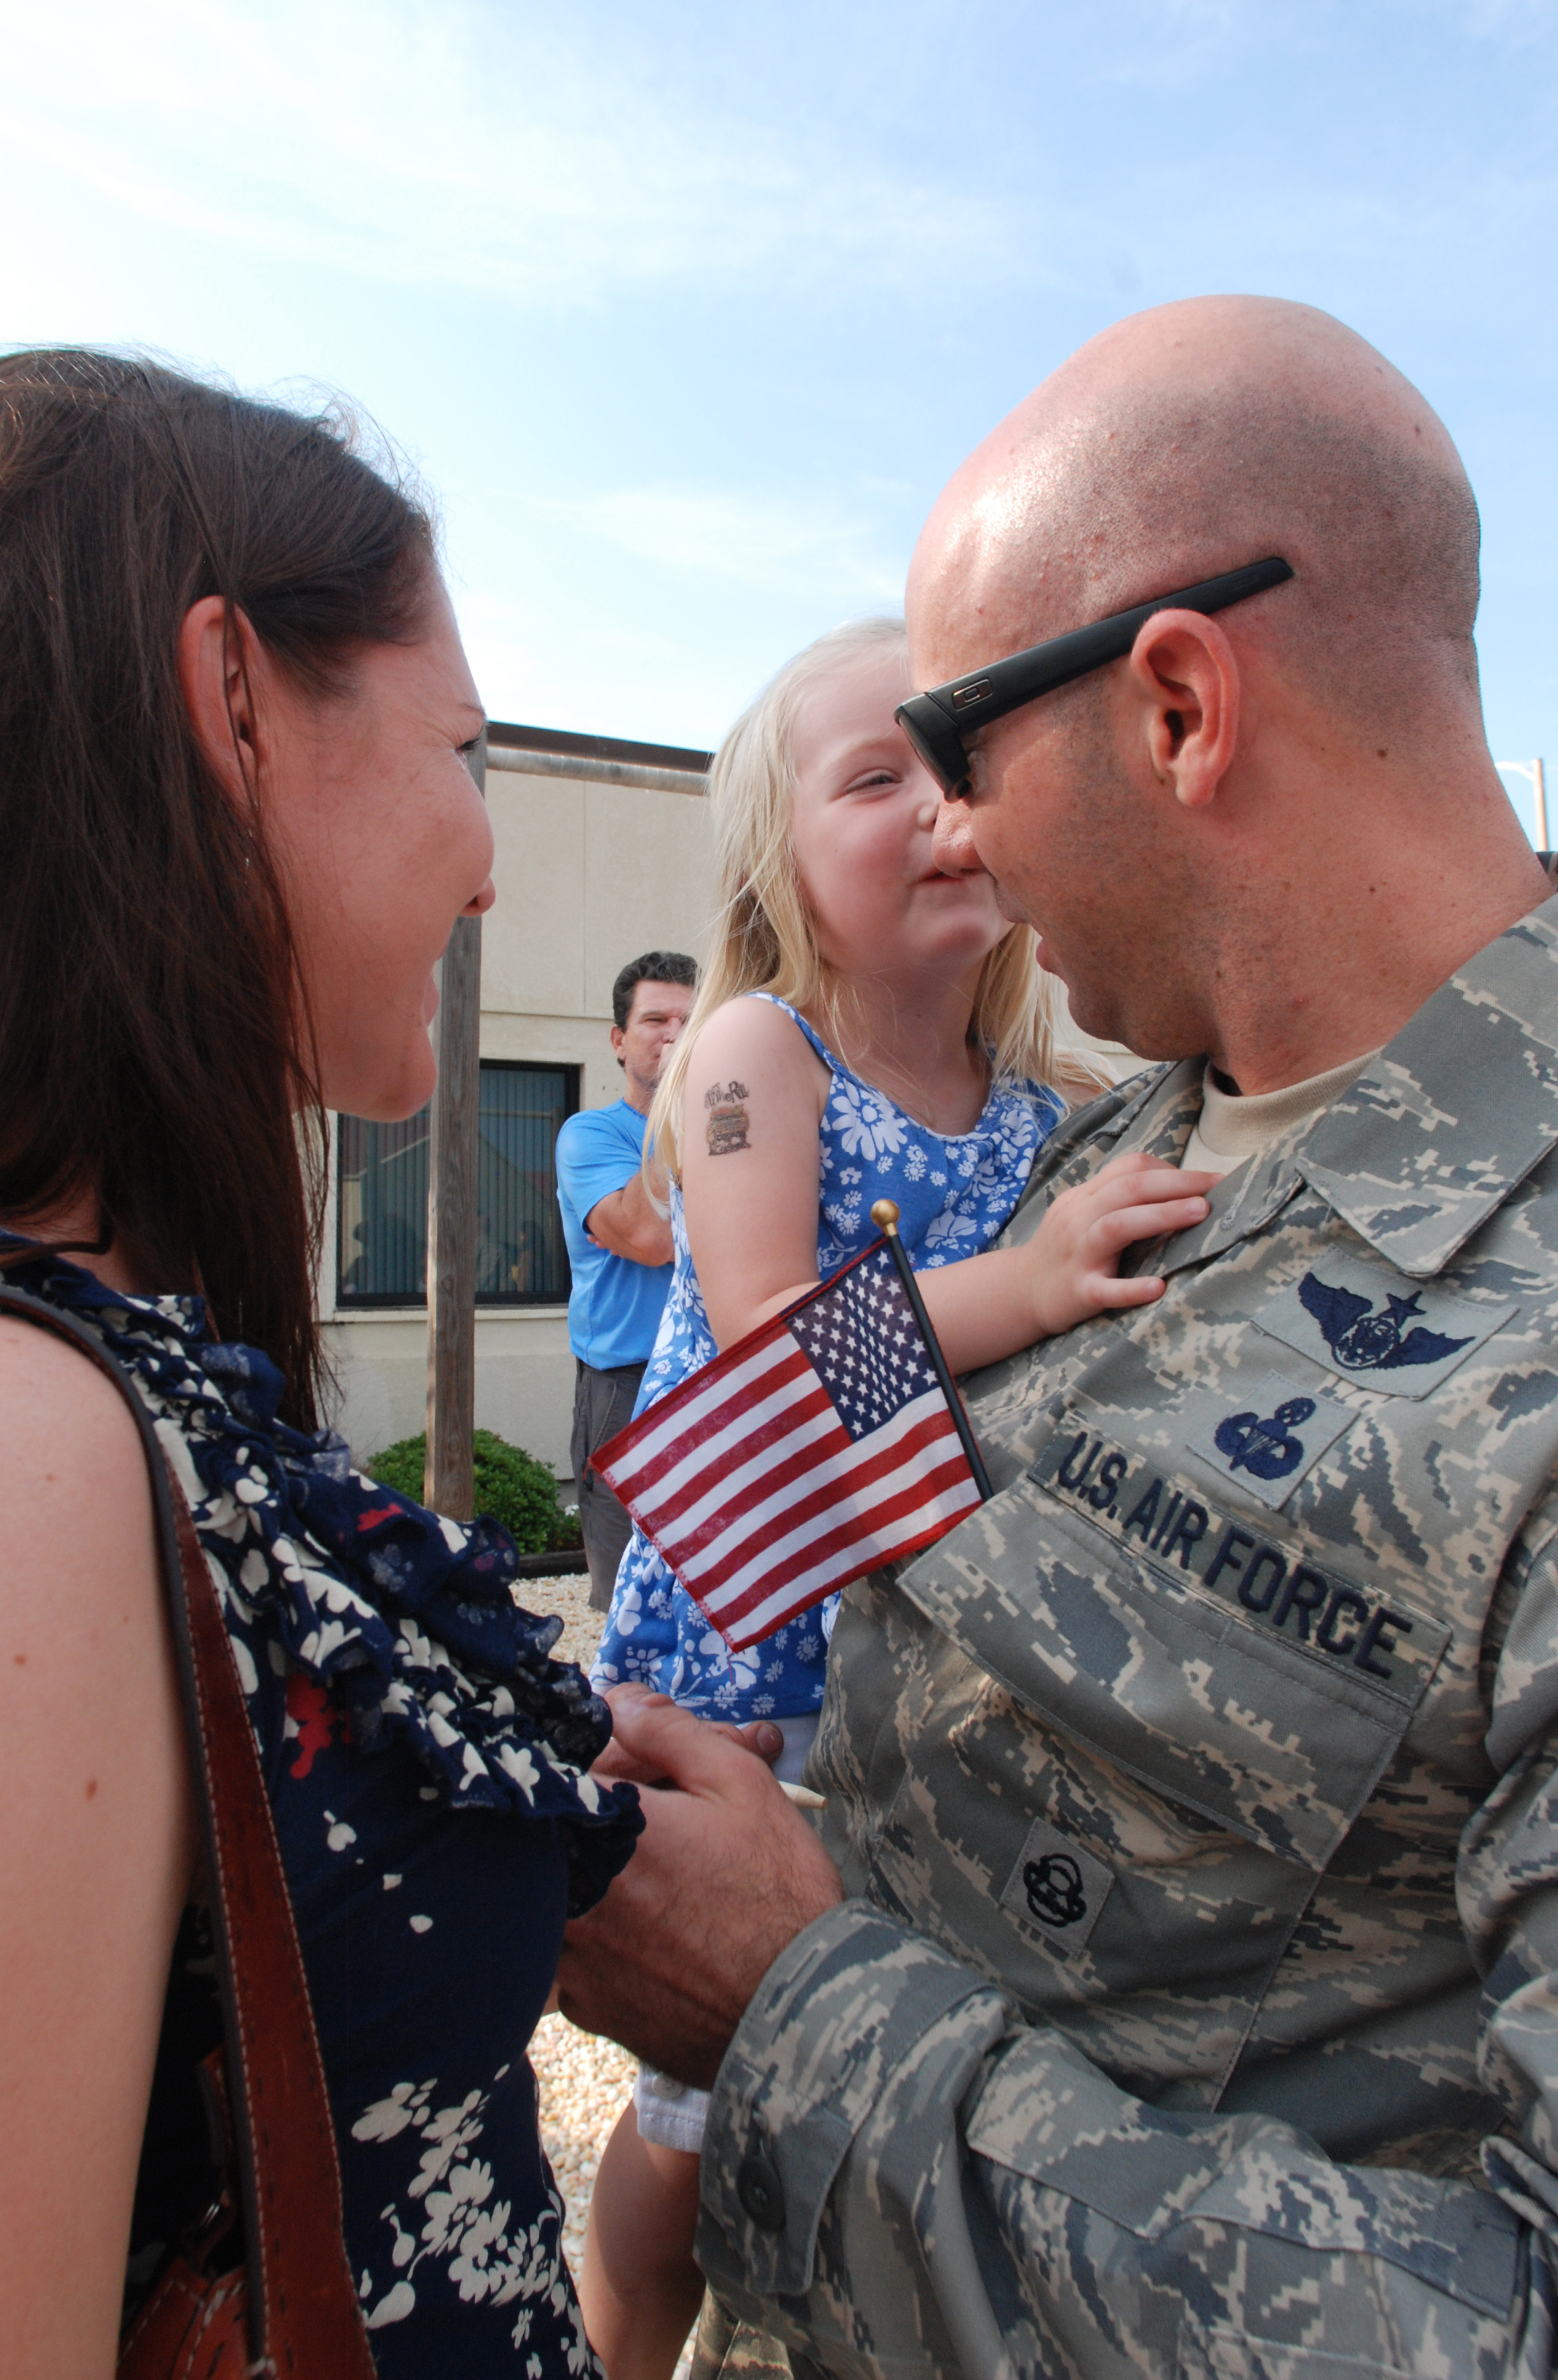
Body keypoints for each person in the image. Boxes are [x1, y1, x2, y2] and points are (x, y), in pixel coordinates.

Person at [559, 294, 1558, 2380]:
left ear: (1178, 710)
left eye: (962, 750)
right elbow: (798, 1459)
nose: (957, 833)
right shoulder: (1107, 1144)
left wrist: (786, 1997)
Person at [0, 349, 647, 2376]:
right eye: (465, 748)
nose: (490, 857)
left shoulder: (114, 1366)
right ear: (232, 700)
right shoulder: (22, 1439)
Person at [580, 617, 1219, 2380]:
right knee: (703, 2088)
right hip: (760, 1654)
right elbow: (773, 1348)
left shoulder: (1041, 1116)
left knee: (888, 2046)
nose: (939, 809)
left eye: (962, 769)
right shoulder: (751, 1058)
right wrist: (1028, 1286)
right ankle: (624, 2344)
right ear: (779, 862)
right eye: (877, 780)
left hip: (938, 1663)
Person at [556, 953, 697, 1609]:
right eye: (656, 1019)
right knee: (624, 1590)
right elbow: (651, 1237)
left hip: (711, 1368)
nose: (674, 1033)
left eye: (691, 1021)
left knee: (708, 1571)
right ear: (618, 1039)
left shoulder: (726, 1132)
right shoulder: (589, 1135)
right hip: (625, 1381)